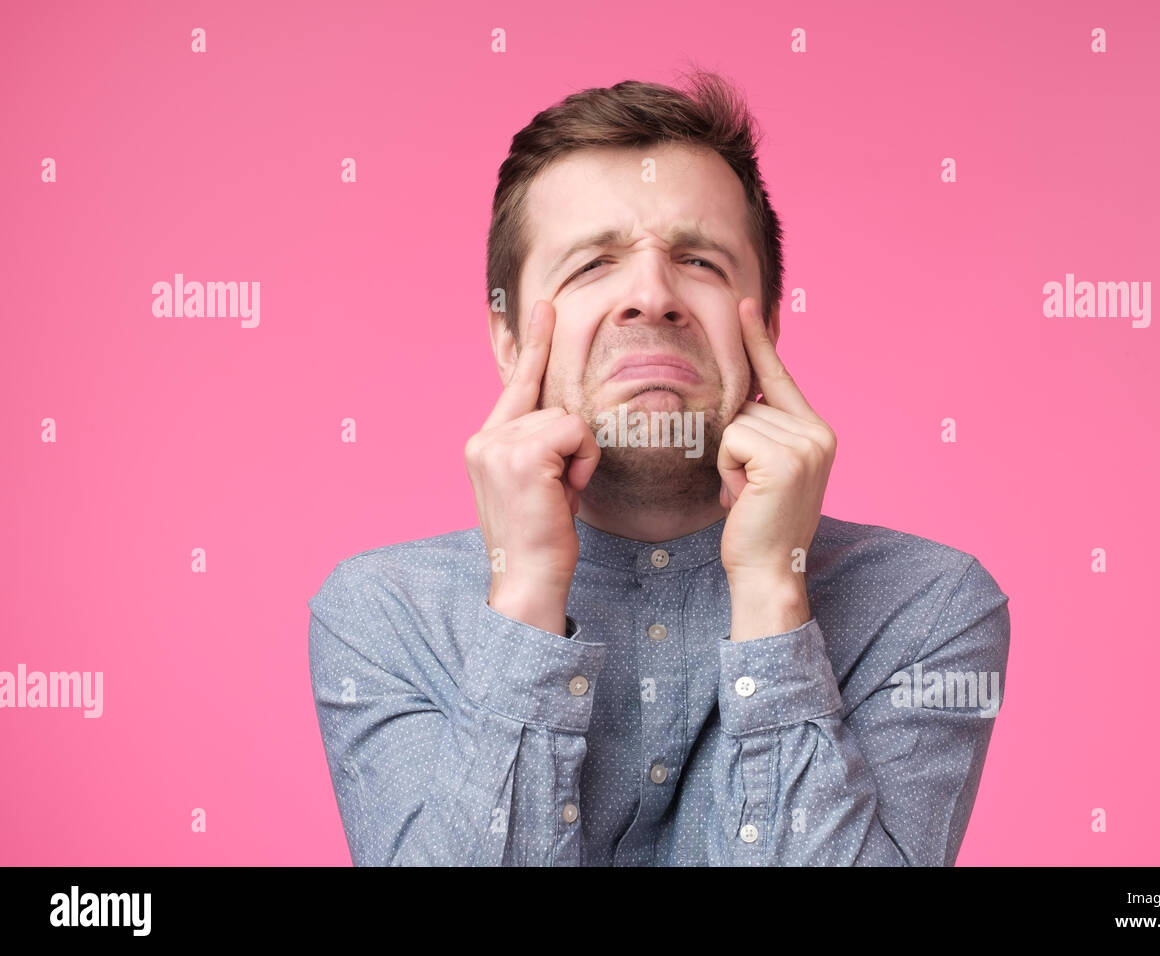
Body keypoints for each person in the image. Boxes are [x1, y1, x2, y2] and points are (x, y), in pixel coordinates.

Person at [307, 70, 1011, 866]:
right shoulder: (383, 614)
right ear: (509, 341)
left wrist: (773, 593)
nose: (651, 295)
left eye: (701, 262)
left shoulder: (925, 608)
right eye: (590, 266)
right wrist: (529, 590)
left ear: (768, 328)